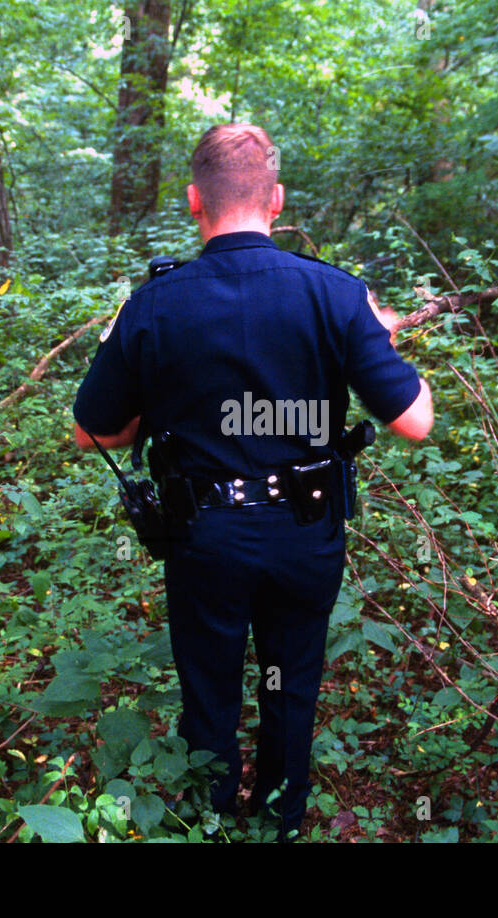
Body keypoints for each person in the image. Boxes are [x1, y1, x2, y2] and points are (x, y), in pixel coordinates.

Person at [72, 123, 433, 840]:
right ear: (276, 199)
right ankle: (281, 823)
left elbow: (92, 431)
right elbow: (414, 420)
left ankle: (207, 820)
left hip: (204, 534)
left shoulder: (154, 303)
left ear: (193, 200)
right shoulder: (335, 294)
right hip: (305, 531)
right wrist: (376, 338)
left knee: (208, 688)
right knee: (290, 684)